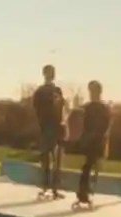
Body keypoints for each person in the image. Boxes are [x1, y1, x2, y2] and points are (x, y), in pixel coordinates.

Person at [32, 64, 68, 198]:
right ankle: (45, 187)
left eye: (52, 72)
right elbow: (36, 109)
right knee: (46, 158)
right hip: (46, 127)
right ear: (44, 74)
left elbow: (62, 108)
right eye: (49, 73)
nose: (51, 75)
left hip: (57, 127)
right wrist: (41, 123)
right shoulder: (40, 91)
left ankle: (55, 189)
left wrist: (64, 124)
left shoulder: (58, 90)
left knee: (57, 160)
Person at [75, 80, 111, 206]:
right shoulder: (91, 107)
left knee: (91, 165)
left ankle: (85, 189)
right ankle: (84, 191)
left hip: (95, 140)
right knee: (89, 165)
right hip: (92, 140)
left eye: (93, 92)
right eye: (91, 92)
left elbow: (106, 126)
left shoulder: (100, 108)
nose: (91, 94)